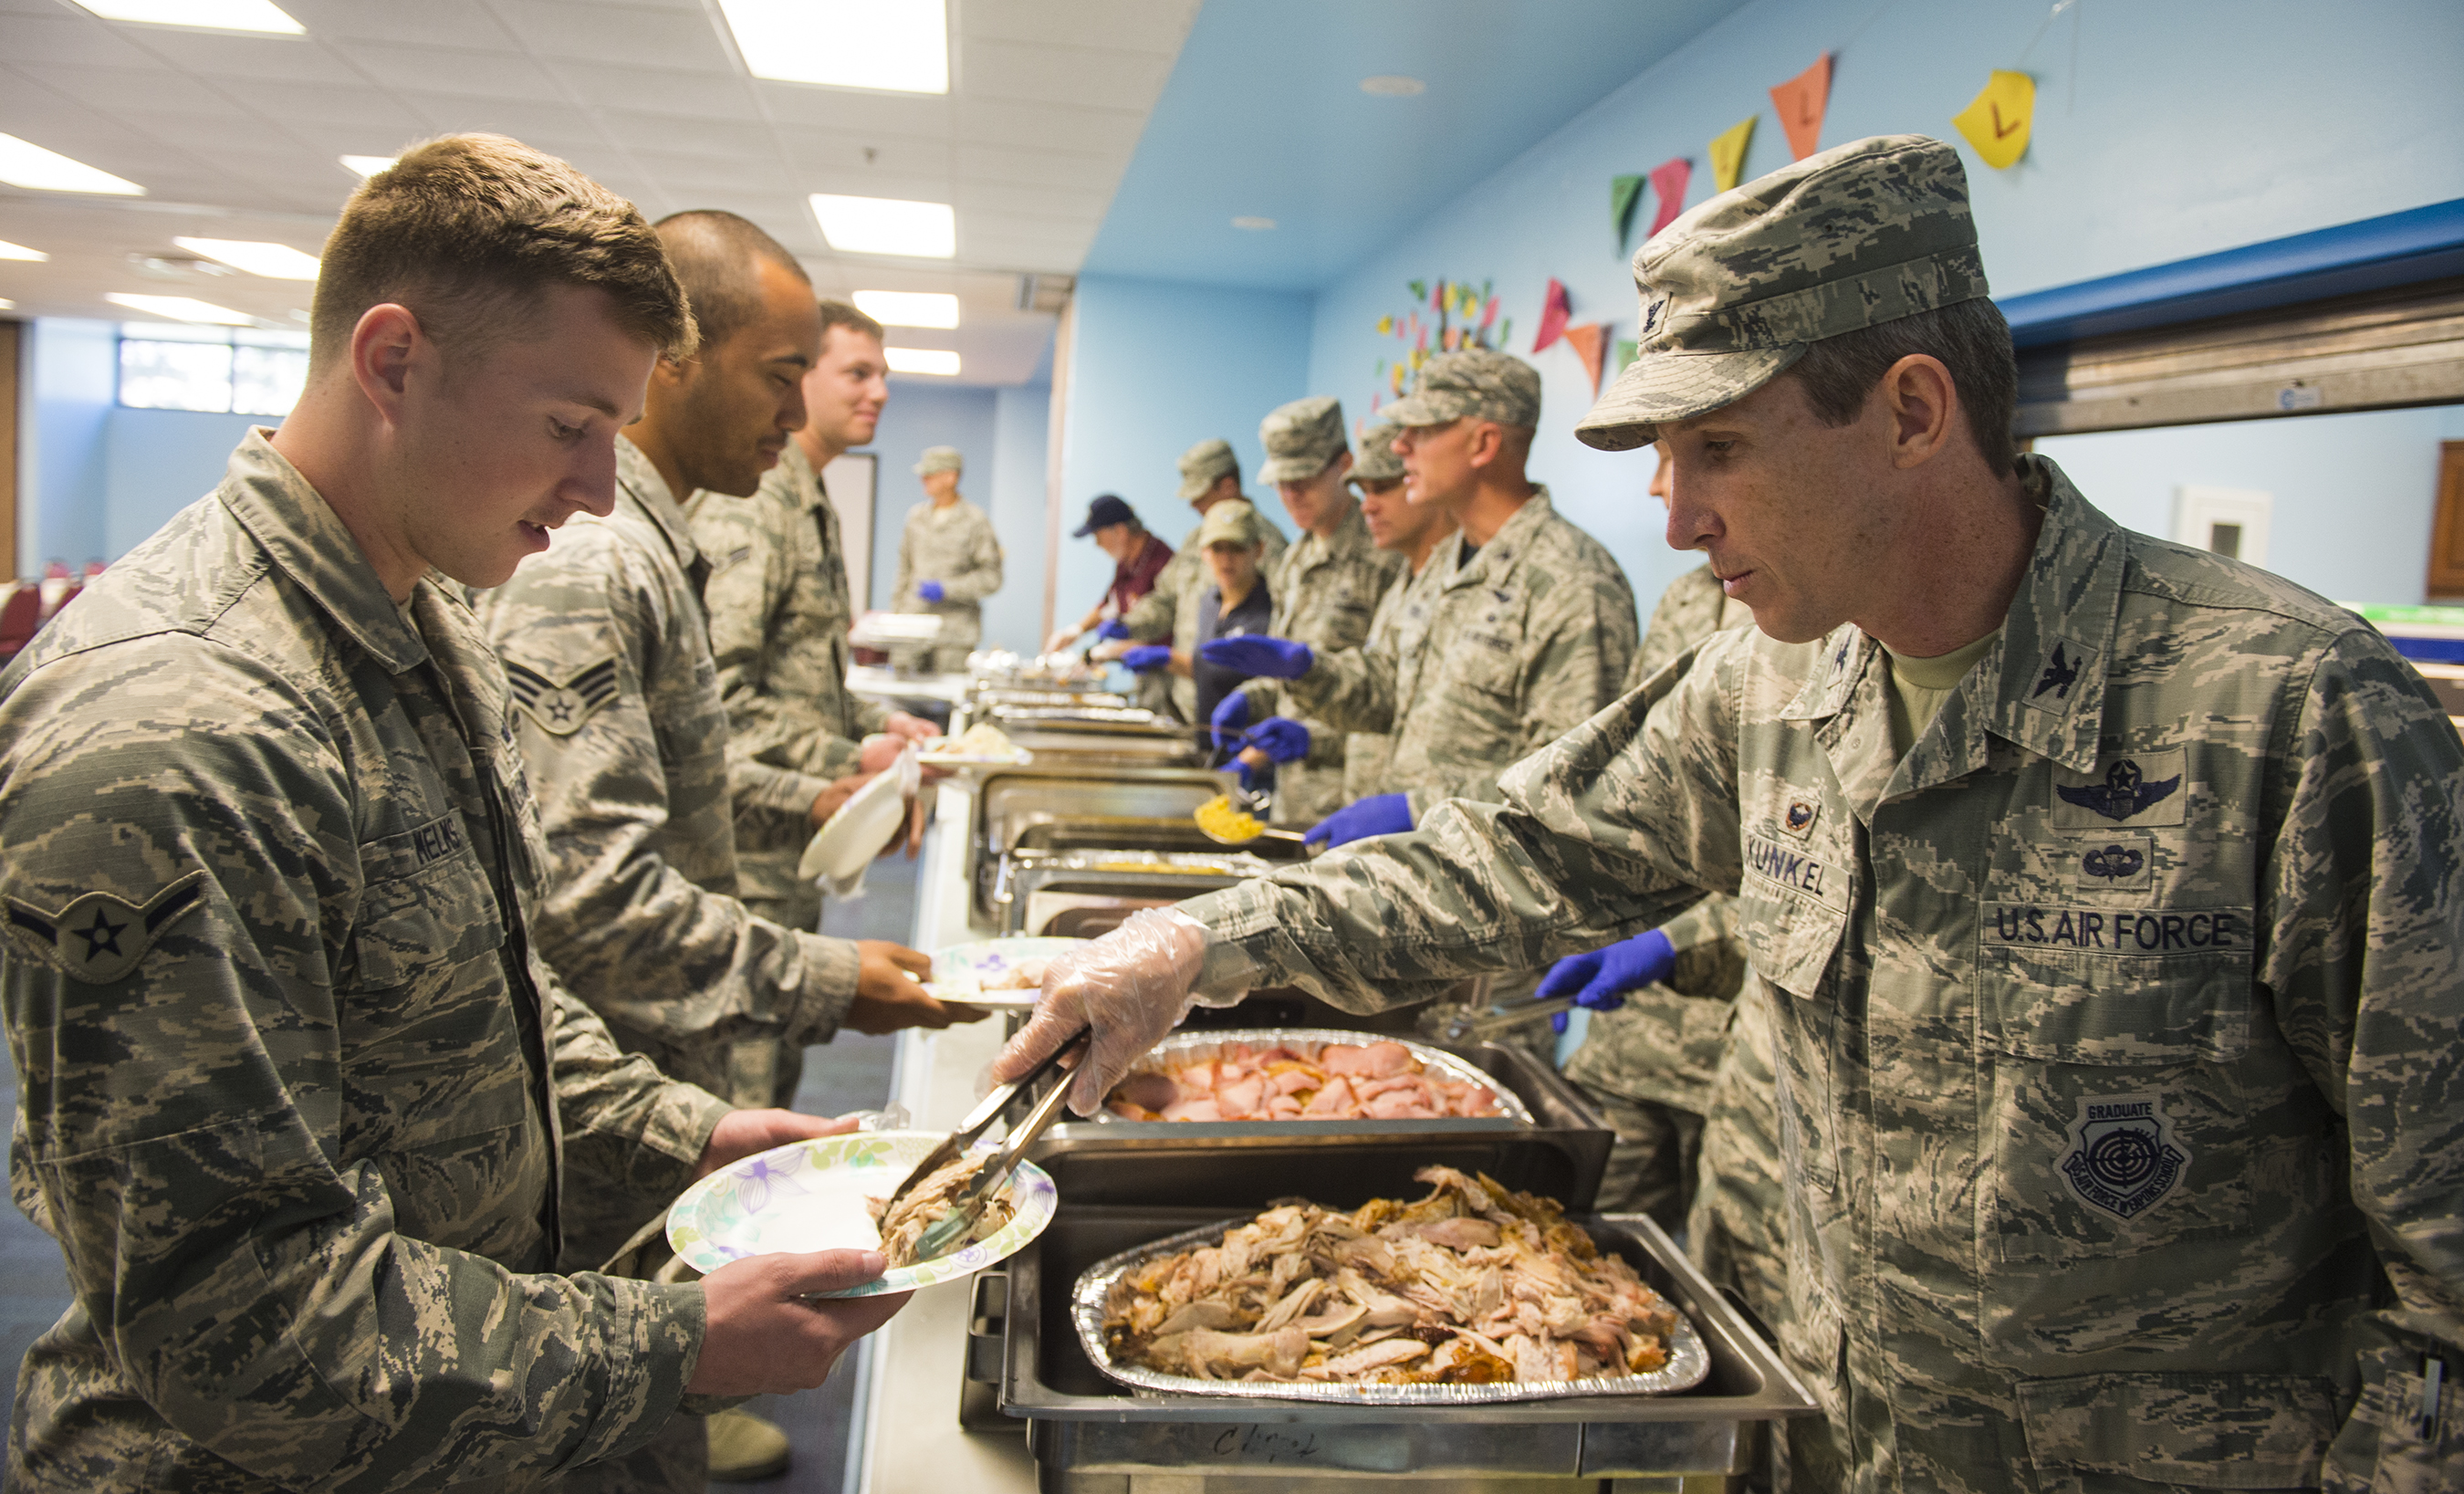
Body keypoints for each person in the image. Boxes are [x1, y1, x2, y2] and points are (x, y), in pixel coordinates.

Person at [1001, 134, 2464, 1492]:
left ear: (1908, 410)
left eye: (1720, 449)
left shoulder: (2291, 715)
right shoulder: (1769, 685)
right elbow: (1515, 852)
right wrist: (1197, 944)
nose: (1678, 515)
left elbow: (2447, 1287)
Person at [0, 133, 913, 1493]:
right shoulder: (179, 733)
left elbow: (486, 988)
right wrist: (668, 1343)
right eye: (568, 427)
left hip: (466, 1411)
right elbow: (247, 1324)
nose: (604, 488)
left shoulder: (421, 611)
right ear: (391, 363)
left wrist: (689, 1130)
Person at [474, 210, 976, 1482]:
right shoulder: (595, 562)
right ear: (675, 357)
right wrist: (828, 973)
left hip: (641, 1054)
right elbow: (592, 895)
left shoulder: (657, 543)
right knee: (619, 1412)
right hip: (598, 1066)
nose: (800, 402)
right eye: (780, 370)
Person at [1201, 349, 1637, 850]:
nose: (1401, 446)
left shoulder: (1572, 581)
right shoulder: (1443, 567)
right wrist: (1309, 671)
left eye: (1423, 430)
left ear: (1483, 444)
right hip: (1416, 879)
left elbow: (1571, 779)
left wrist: (1416, 809)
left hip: (1497, 902)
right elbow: (1390, 694)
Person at [1543, 440, 1759, 1236]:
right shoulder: (1684, 602)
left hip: (1736, 1064)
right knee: (1595, 1252)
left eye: (1693, 454)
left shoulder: (1834, 616)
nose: (1661, 490)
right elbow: (1626, 793)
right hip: (1633, 1042)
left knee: (1721, 1296)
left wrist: (1682, 939)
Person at [688, 298, 939, 936]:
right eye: (859, 373)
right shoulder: (757, 501)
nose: (879, 392)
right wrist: (853, 751)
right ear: (802, 376)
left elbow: (801, 675)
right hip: (743, 865)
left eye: (882, 375)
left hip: (789, 851)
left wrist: (880, 722)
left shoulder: (809, 496)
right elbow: (718, 698)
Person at [1206, 397, 1403, 825]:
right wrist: (1253, 697)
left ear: (1344, 465)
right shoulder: (1295, 560)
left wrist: (1310, 740)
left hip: (1353, 797)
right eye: (1282, 482)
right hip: (1292, 793)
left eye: (1304, 477)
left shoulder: (1387, 556)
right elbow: (1291, 675)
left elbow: (1388, 697)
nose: (1291, 494)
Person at [1114, 437, 1286, 719]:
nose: (1193, 505)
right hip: (1186, 700)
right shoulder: (1196, 539)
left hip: (1238, 709)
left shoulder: (1267, 544)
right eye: (1216, 550)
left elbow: (1276, 636)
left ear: (1228, 486)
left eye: (1200, 495)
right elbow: (1166, 598)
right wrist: (1129, 624)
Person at [1331, 420, 1456, 803]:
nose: (1367, 505)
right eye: (1362, 491)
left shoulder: (1460, 583)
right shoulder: (1404, 582)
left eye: (1382, 488)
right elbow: (1388, 700)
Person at [892, 445, 1003, 673]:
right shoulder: (916, 517)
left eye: (930, 474)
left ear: (951, 477)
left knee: (945, 702)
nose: (923, 480)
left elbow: (991, 578)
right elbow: (904, 569)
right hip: (912, 626)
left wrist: (947, 589)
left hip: (953, 635)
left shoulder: (974, 520)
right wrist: (896, 619)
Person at [1184, 499, 1277, 730]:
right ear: (1204, 553)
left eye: (1237, 548)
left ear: (1259, 549)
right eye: (1217, 549)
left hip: (1249, 750)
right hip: (1207, 743)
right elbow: (1207, 669)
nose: (1226, 560)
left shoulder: (1272, 610)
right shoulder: (1209, 601)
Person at [1045, 492, 1174, 654]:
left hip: (1164, 667)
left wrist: (1103, 653)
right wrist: (1076, 630)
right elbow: (1109, 606)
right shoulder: (1126, 562)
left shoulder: (1163, 565)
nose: (1097, 544)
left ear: (1120, 531)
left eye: (1098, 536)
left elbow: (1159, 626)